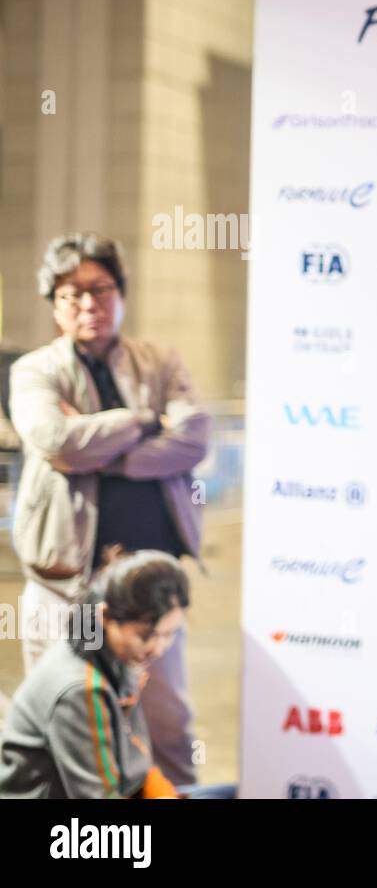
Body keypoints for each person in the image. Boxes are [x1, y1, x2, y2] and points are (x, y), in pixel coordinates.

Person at [8, 232, 210, 787]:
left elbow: (193, 439)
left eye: (100, 289)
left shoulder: (161, 361)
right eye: (72, 294)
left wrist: (99, 455)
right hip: (64, 588)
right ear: (54, 304)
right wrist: (143, 421)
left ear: (121, 293)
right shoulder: (33, 371)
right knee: (66, 721)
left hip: (149, 593)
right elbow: (56, 439)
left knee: (169, 727)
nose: (88, 304)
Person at [0, 549, 189, 799]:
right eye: (146, 635)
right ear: (105, 617)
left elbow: (136, 765)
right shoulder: (80, 688)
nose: (158, 648)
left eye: (169, 634)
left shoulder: (111, 656)